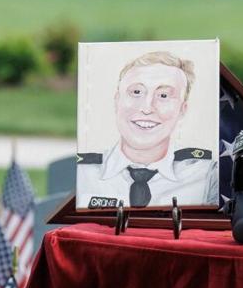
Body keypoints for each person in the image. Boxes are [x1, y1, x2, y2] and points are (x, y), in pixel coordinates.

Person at [77, 50, 218, 209]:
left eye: (163, 95)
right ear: (117, 100)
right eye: (136, 92)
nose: (147, 108)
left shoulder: (206, 175)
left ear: (182, 109)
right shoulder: (81, 172)